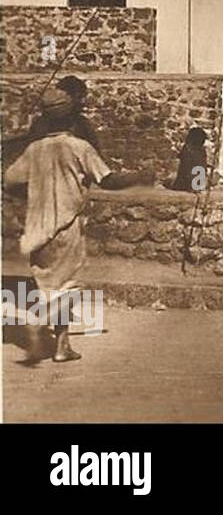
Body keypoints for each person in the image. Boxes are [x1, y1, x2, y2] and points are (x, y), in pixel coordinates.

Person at [3, 89, 154, 363]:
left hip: (37, 230)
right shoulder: (79, 147)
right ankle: (47, 331)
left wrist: (35, 196)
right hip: (66, 227)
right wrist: (140, 177)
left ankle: (61, 344)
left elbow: (10, 181)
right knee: (67, 285)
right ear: (71, 117)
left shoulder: (34, 149)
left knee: (51, 286)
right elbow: (107, 180)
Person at [25, 75, 100, 152]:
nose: (83, 102)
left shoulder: (82, 123)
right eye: (79, 97)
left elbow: (93, 153)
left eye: (84, 97)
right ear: (66, 97)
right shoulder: (40, 125)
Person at [171, 127, 209, 191]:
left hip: (193, 181)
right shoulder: (199, 150)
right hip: (194, 182)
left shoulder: (189, 149)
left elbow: (186, 168)